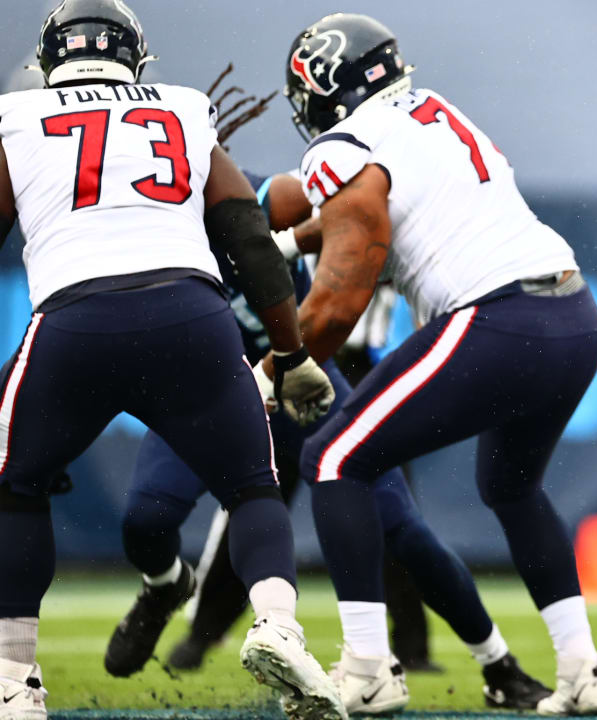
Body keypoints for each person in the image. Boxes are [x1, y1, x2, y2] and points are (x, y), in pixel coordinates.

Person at [0, 2, 343, 719]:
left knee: (13, 487)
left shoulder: (15, 118)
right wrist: (290, 352)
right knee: (251, 487)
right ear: (136, 55)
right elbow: (249, 237)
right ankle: (280, 626)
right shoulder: (183, 108)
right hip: (192, 319)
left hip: (75, 323)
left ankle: (13, 677)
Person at [107, 166, 551, 712]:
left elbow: (325, 205)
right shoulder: (122, 226)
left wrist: (292, 239)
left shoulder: (239, 192)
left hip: (296, 374)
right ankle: (163, 587)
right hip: (203, 387)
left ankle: (497, 663)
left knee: (400, 524)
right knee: (145, 519)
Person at [281, 13, 597, 716]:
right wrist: (289, 238)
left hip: (498, 318)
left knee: (335, 458)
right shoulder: (432, 112)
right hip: (572, 313)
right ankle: (584, 670)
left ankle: (368, 668)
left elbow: (348, 277)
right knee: (512, 487)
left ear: (323, 86)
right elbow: (372, 209)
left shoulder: (347, 143)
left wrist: (281, 364)